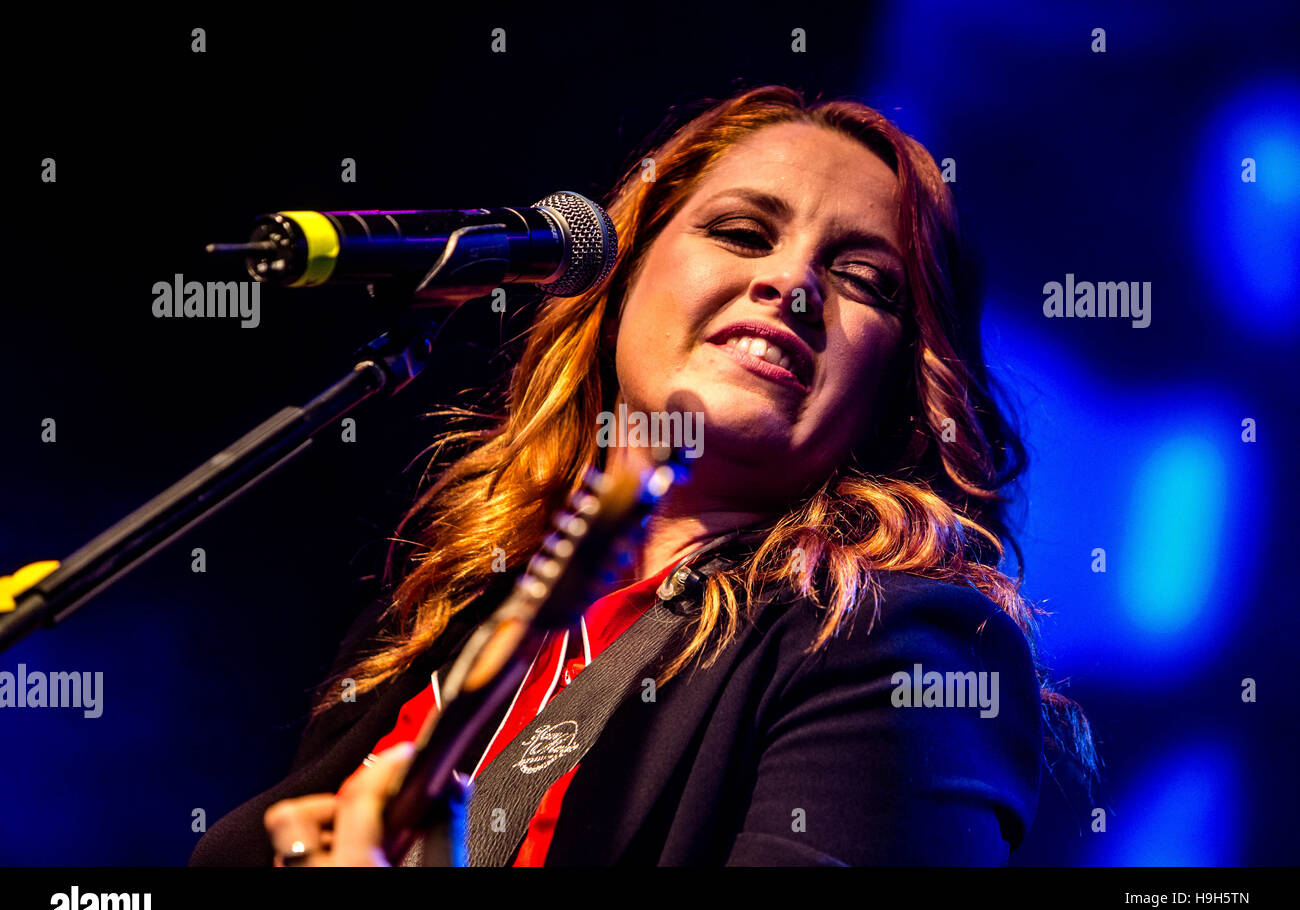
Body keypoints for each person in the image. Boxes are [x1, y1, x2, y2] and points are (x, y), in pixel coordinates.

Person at [189, 83, 1098, 868]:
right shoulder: (450, 605)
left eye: (865, 280)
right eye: (743, 232)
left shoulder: (906, 646)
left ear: (901, 390)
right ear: (618, 279)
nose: (792, 284)